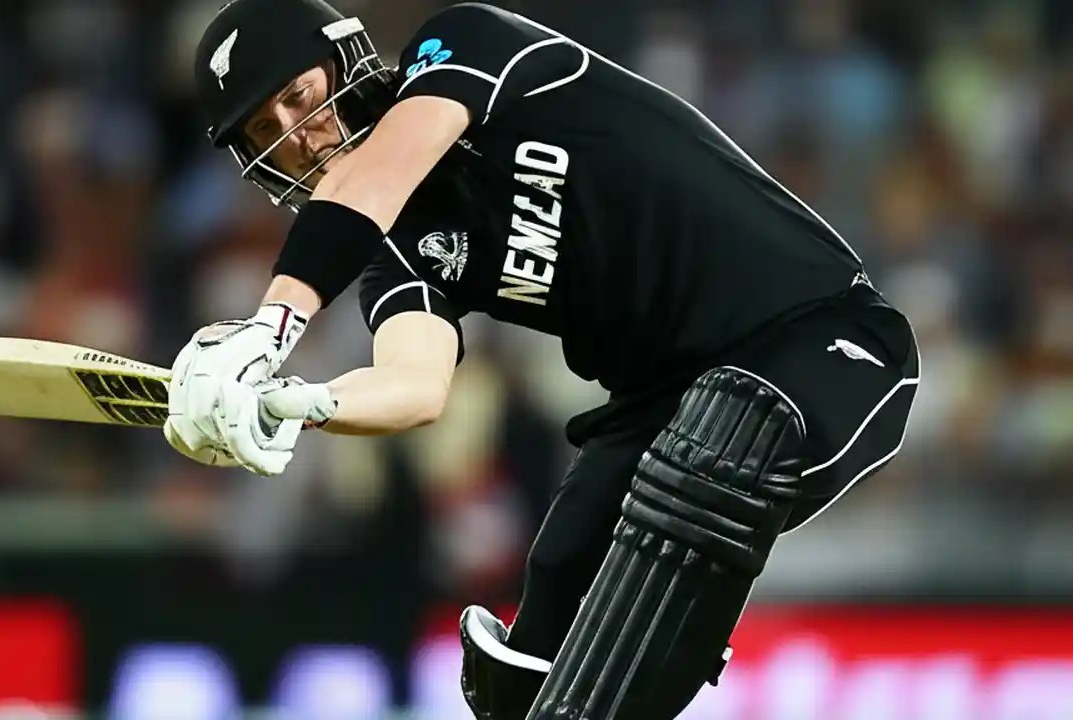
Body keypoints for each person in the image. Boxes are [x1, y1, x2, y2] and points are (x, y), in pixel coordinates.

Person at [163, 0, 922, 717]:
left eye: (299, 95)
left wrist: (270, 330)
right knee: (543, 616)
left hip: (819, 335)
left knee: (723, 440)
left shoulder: (460, 48)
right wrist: (295, 403)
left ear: (346, 57)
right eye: (267, 128)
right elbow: (413, 386)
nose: (298, 131)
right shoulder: (397, 256)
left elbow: (380, 176)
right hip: (667, 402)